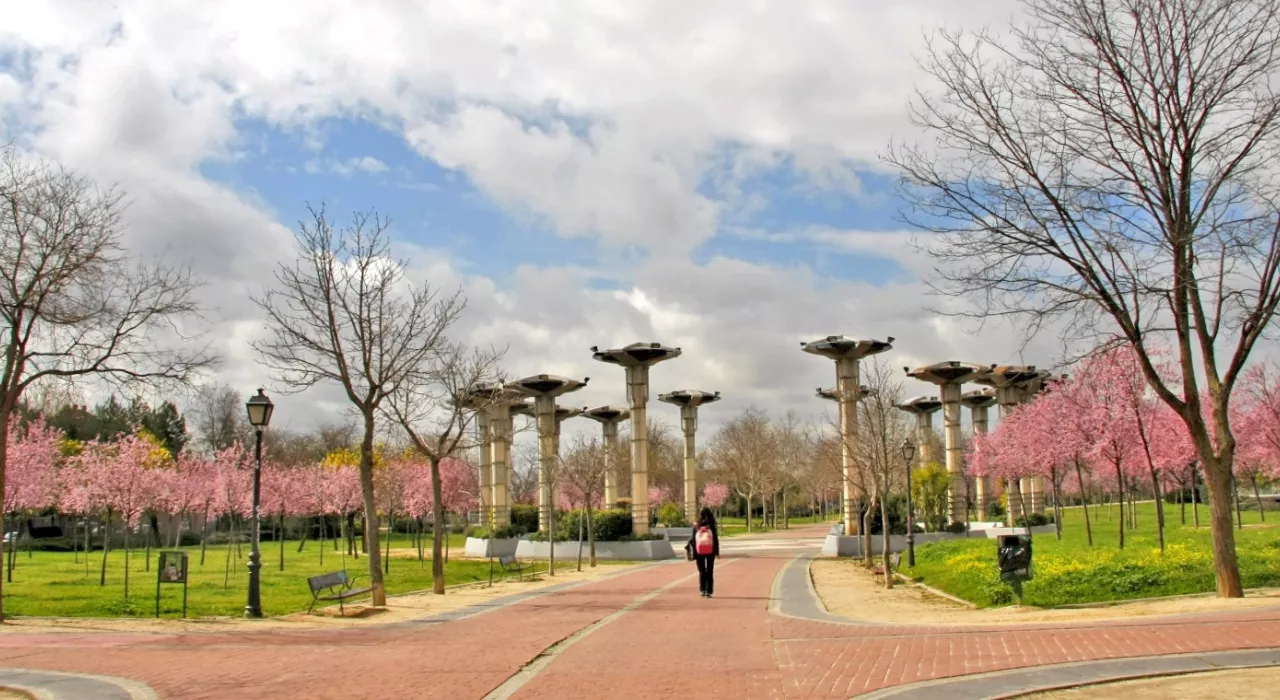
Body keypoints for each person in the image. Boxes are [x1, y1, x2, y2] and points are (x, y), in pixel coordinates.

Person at [686, 507, 720, 598]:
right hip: (710, 550)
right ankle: (709, 590)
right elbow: (715, 539)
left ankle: (703, 589)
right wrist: (717, 552)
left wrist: (693, 553)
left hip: (699, 551)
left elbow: (693, 539)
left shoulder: (696, 525)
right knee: (710, 570)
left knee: (702, 571)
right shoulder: (711, 525)